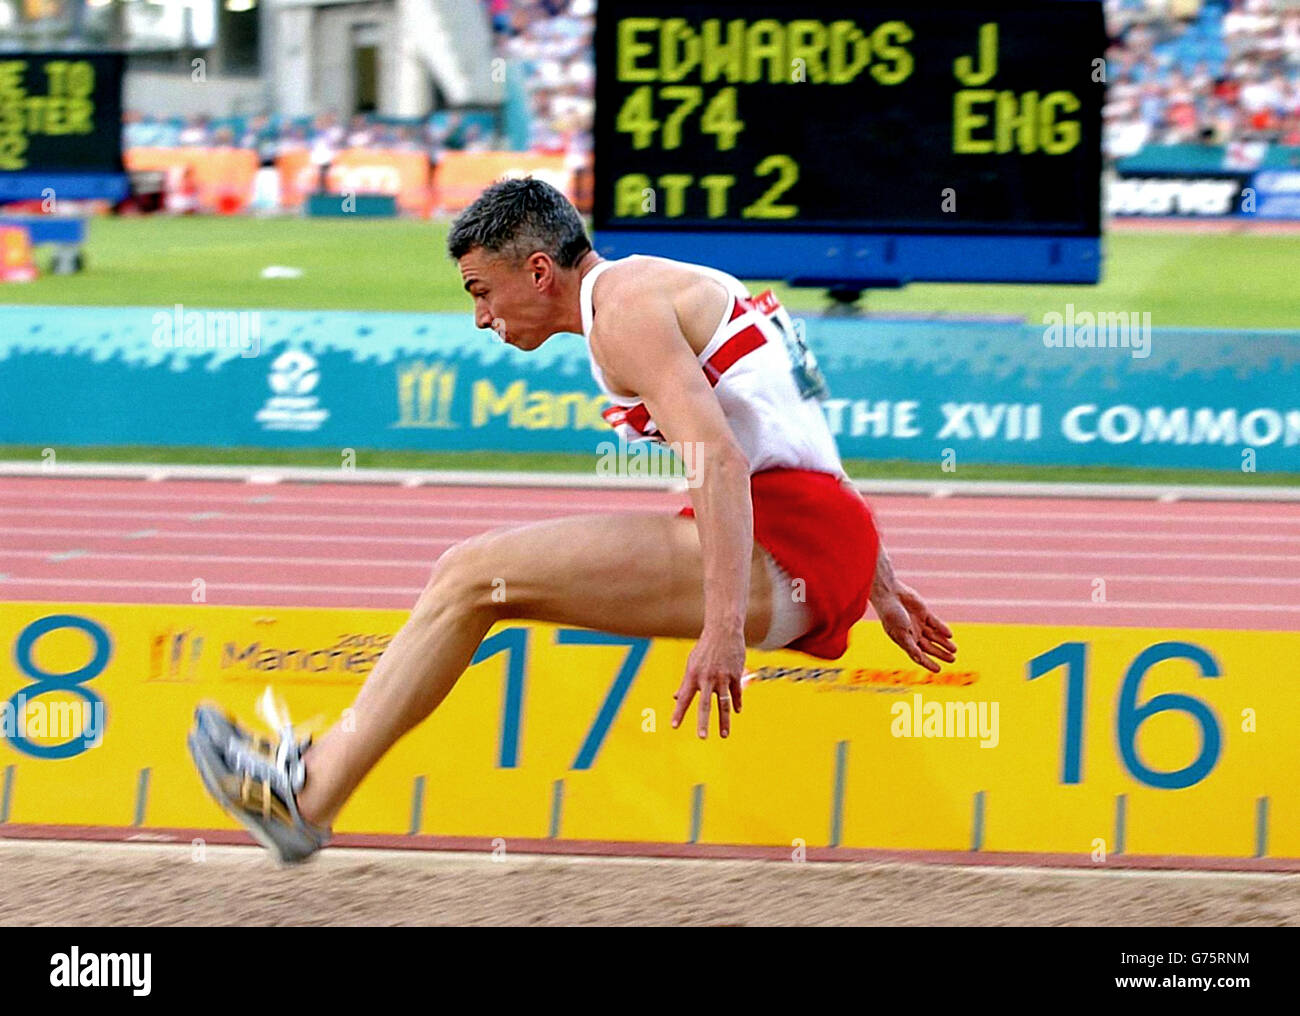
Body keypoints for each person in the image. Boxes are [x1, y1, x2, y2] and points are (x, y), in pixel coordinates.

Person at [187, 178, 957, 863]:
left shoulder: (624, 312)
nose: (480, 318)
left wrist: (722, 627)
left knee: (469, 575)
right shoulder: (657, 289)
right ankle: (309, 792)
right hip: (821, 535)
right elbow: (803, 429)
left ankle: (308, 795)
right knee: (476, 583)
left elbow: (721, 461)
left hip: (790, 540)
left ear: (538, 271)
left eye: (481, 292)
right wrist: (879, 583)